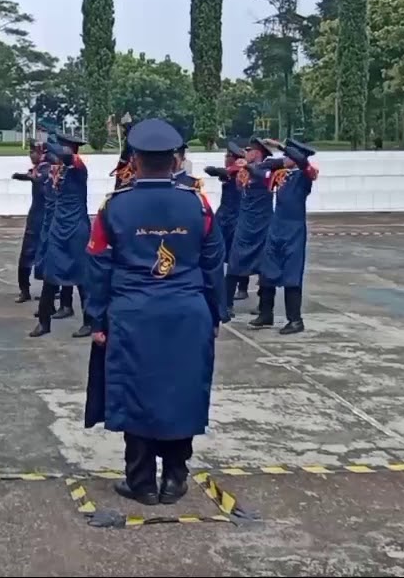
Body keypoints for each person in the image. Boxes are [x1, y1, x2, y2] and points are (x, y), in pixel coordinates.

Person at [83, 118, 228, 506]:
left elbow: (98, 265)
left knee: (136, 391)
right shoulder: (198, 204)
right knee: (182, 390)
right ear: (175, 160)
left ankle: (142, 481)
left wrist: (97, 318)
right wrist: (216, 314)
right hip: (188, 312)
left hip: (133, 314)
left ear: (135, 159)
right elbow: (214, 262)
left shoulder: (114, 206)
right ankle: (175, 479)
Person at [253, 139, 319, 334]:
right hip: (277, 227)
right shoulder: (281, 175)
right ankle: (266, 314)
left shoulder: (306, 174)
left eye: (288, 155)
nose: (285, 158)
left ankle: (295, 320)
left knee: (291, 275)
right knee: (267, 271)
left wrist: (280, 145)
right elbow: (260, 171)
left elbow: (300, 160)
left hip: (294, 230)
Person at [31, 128, 92, 338]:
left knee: (82, 277)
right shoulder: (60, 170)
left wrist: (48, 142)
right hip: (59, 228)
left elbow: (64, 155)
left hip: (77, 229)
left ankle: (89, 321)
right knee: (50, 273)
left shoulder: (78, 166)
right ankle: (44, 322)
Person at [227, 137, 276, 314]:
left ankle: (264, 308)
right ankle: (227, 304)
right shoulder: (243, 170)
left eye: (249, 151)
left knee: (265, 266)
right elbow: (234, 178)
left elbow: (264, 175)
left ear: (257, 153)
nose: (246, 154)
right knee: (234, 261)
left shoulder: (270, 166)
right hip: (246, 221)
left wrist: (279, 146)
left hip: (263, 223)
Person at [205, 142, 250, 309]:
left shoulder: (240, 170)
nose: (225, 159)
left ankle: (241, 288)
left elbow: (224, 171)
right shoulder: (232, 171)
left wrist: (220, 171)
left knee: (235, 254)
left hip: (235, 216)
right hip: (224, 215)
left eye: (227, 156)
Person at [11, 142, 48, 303]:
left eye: (34, 152)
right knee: (26, 255)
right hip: (35, 217)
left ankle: (51, 291)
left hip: (45, 218)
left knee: (47, 255)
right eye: (30, 152)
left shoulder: (46, 169)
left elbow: (36, 178)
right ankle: (24, 290)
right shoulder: (38, 169)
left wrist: (25, 176)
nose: (31, 155)